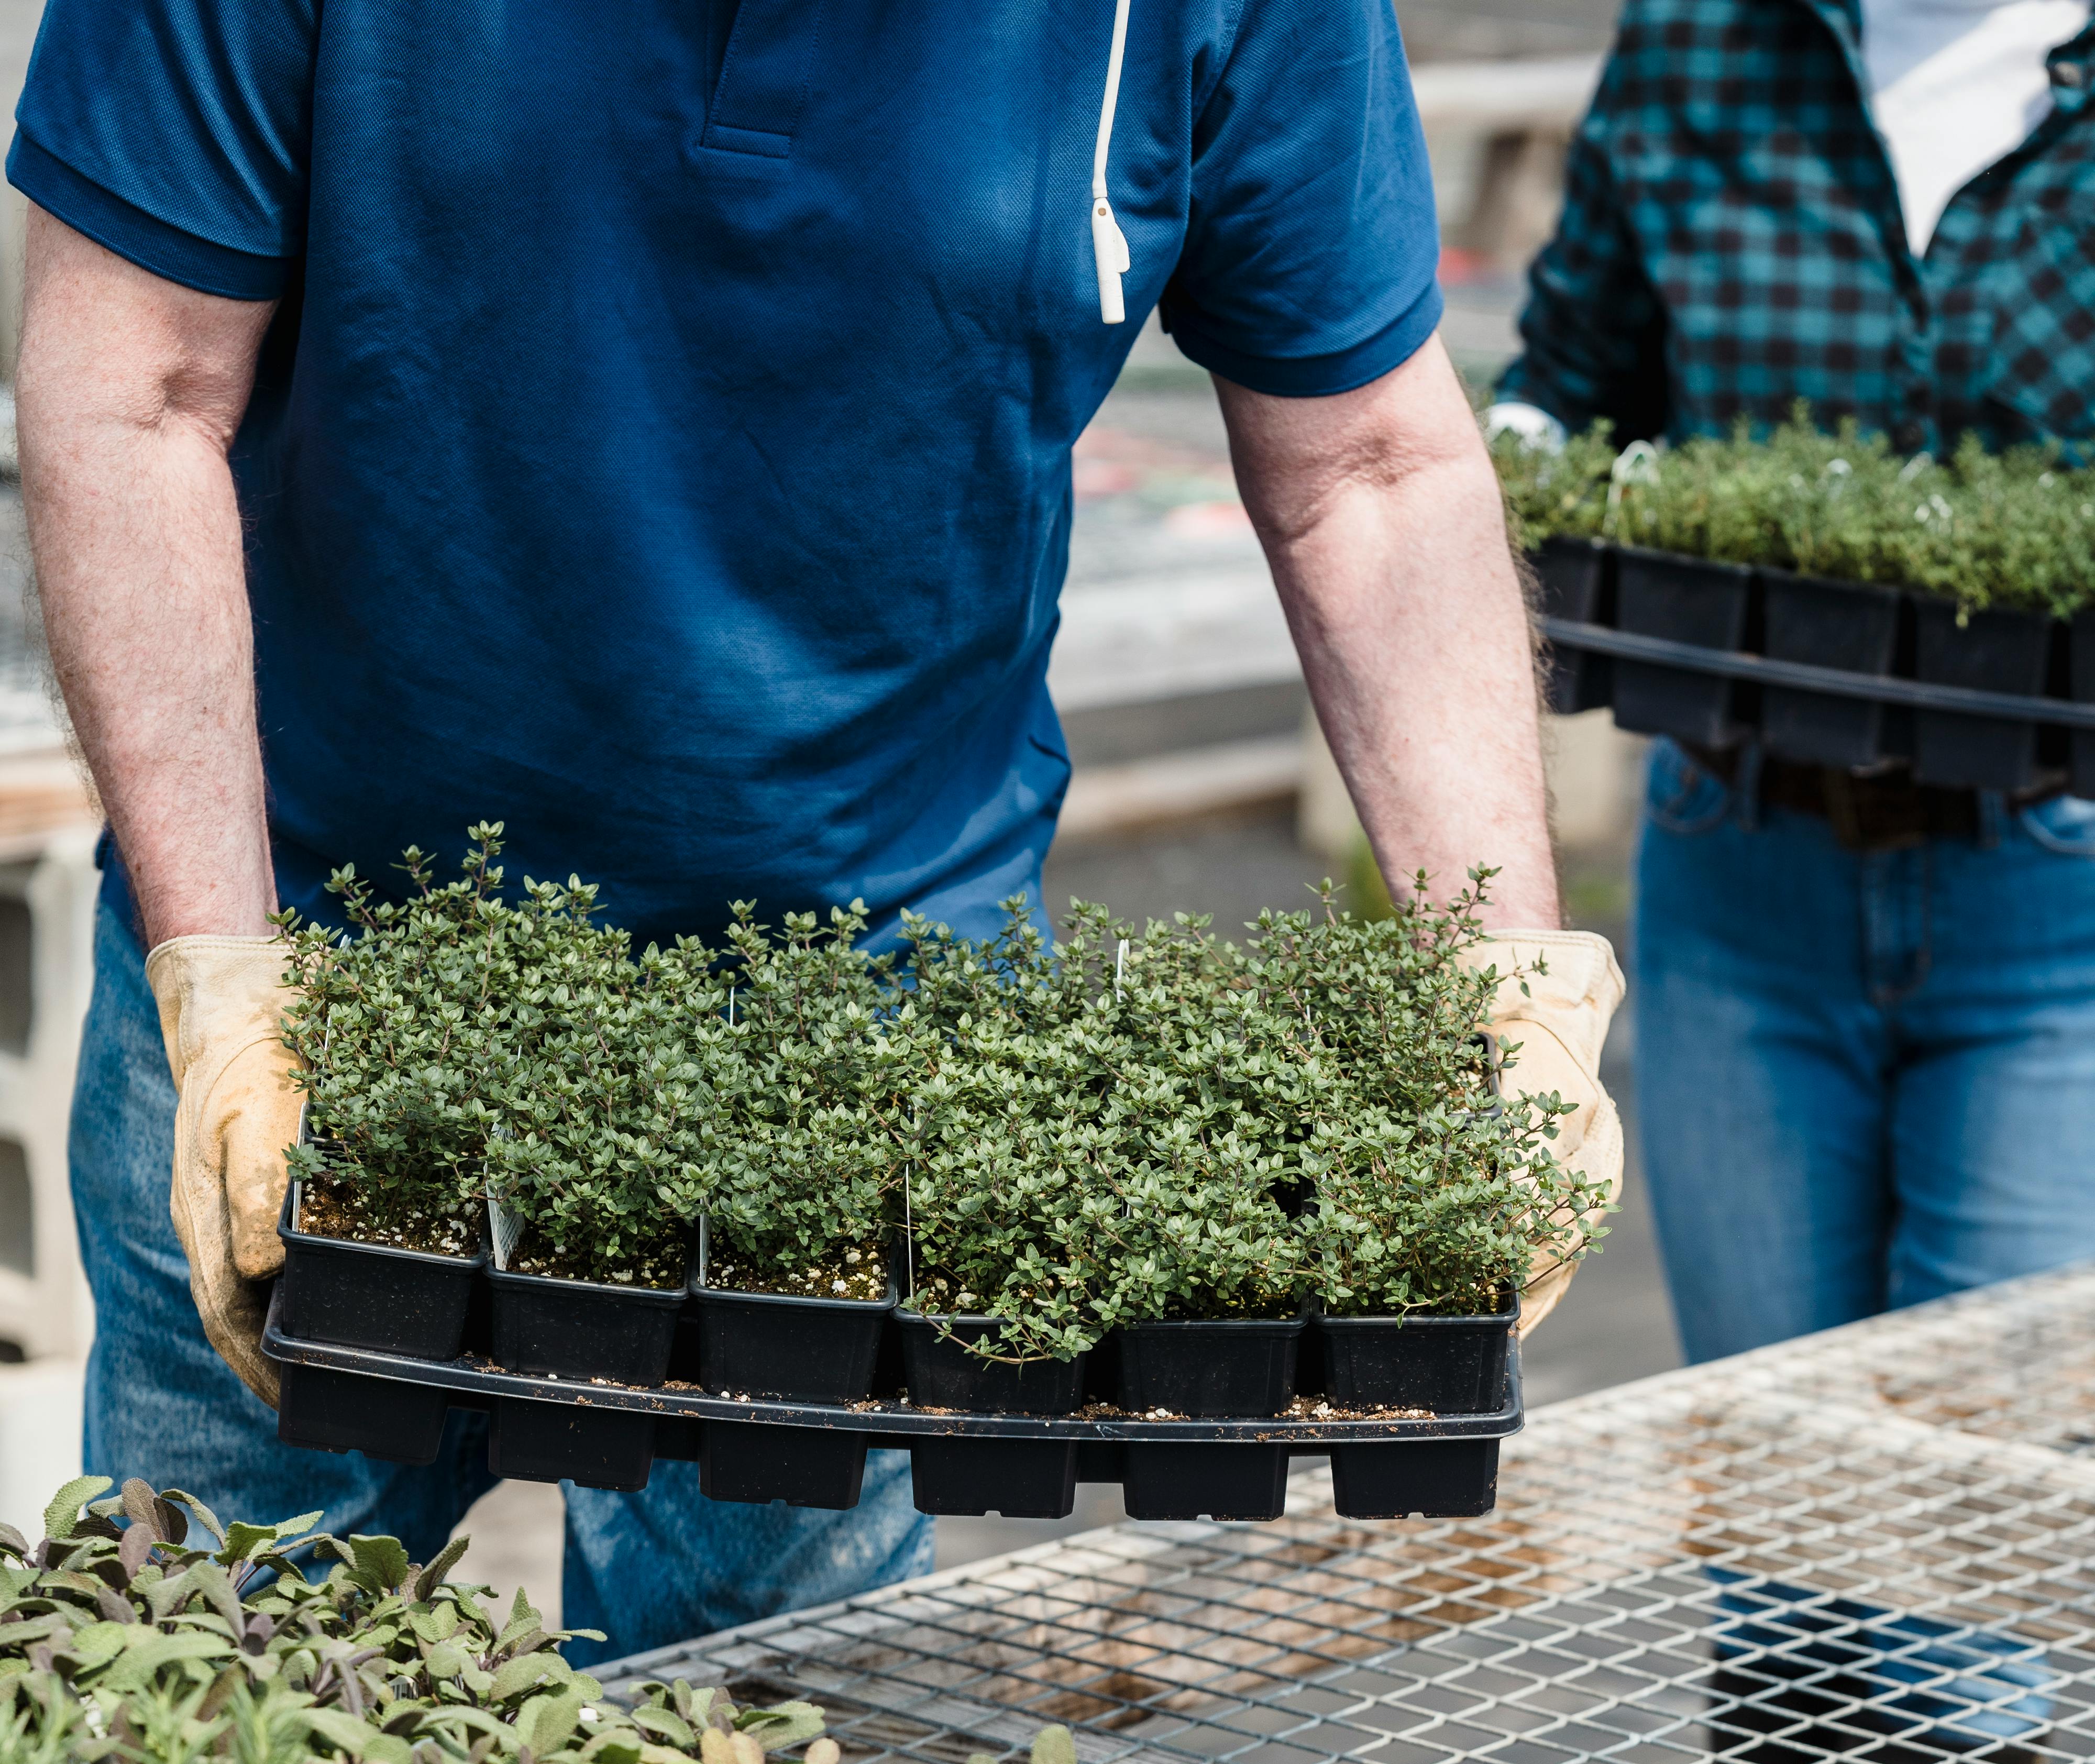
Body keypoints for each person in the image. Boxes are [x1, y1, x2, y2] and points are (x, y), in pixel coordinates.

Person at [12, 0, 1617, 1660]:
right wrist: (227, 977)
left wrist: (1512, 984)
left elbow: (1369, 466)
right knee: (214, 1698)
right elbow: (136, 387)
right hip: (311, 963)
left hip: (864, 1031)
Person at [1496, 0, 2095, 1366]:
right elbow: (1571, 380)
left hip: (2058, 890)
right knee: (1764, 1438)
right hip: (1740, 870)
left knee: (1992, 1450)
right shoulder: (1706, 36)